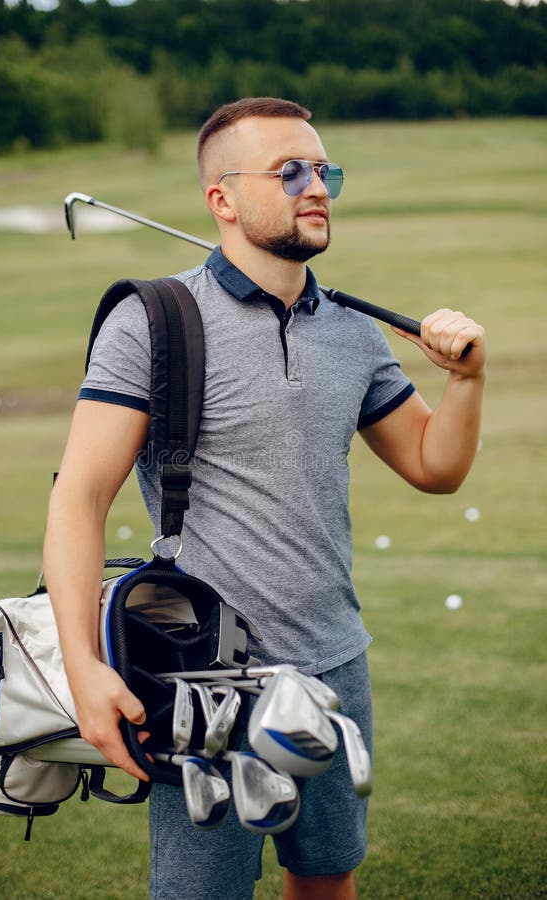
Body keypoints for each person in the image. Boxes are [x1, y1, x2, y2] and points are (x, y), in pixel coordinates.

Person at [43, 97, 486, 900]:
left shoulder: (353, 332)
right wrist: (84, 667)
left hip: (335, 660)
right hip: (202, 676)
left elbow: (434, 465)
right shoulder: (154, 321)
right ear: (222, 199)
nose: (315, 186)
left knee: (326, 880)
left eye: (325, 171)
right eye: (290, 171)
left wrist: (465, 381)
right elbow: (79, 499)